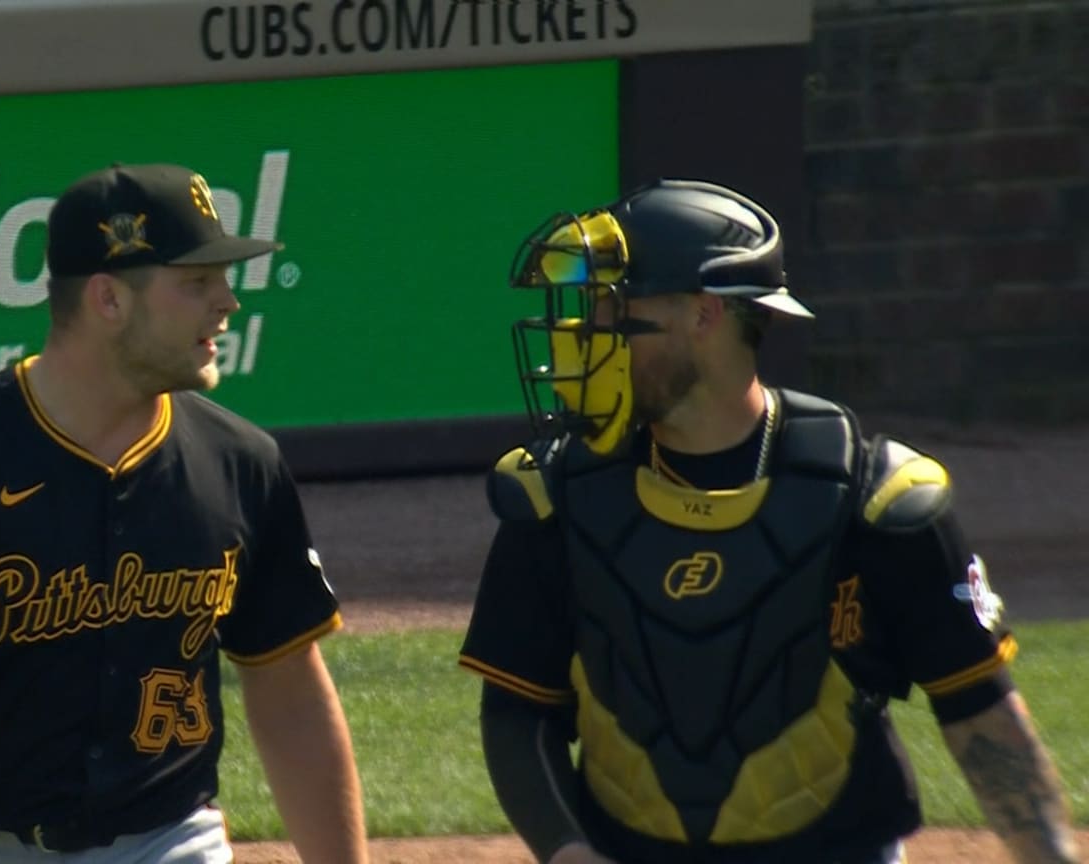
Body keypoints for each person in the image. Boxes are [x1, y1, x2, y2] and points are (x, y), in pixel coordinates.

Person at [458, 179, 1079, 864]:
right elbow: (518, 717)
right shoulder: (557, 496)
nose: (588, 334)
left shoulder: (873, 502)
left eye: (614, 307)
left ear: (703, 316)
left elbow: (980, 715)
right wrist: (569, 853)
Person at [0, 162, 368, 864]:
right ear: (108, 299)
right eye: (197, 283)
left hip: (171, 839)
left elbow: (290, 694)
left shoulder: (239, 463)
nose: (227, 302)